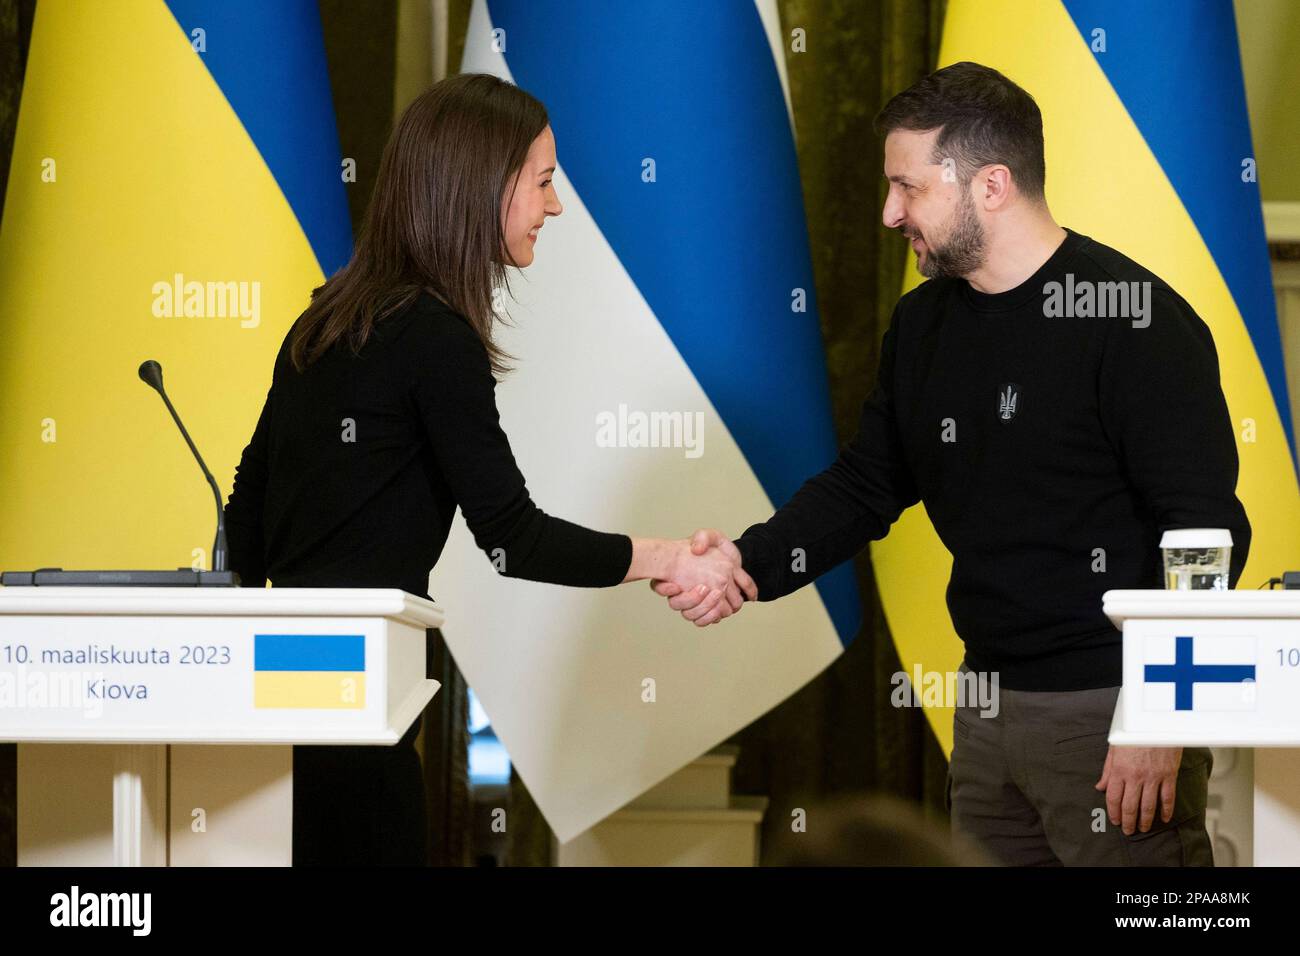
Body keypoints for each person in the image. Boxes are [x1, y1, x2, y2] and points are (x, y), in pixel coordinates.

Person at [654, 61, 1250, 866]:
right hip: (983, 712)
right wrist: (743, 563)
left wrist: (1162, 719)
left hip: (1113, 716)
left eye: (910, 188)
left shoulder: (1135, 320)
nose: (889, 212)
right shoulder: (923, 322)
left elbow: (1206, 533)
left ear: (992, 185)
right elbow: (867, 484)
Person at [222, 73, 755, 866]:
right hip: (359, 719)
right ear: (482, 184)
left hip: (274, 719)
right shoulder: (436, 340)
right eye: (542, 182)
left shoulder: (322, 324)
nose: (555, 205)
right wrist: (669, 558)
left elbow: (246, 533)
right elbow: (514, 538)